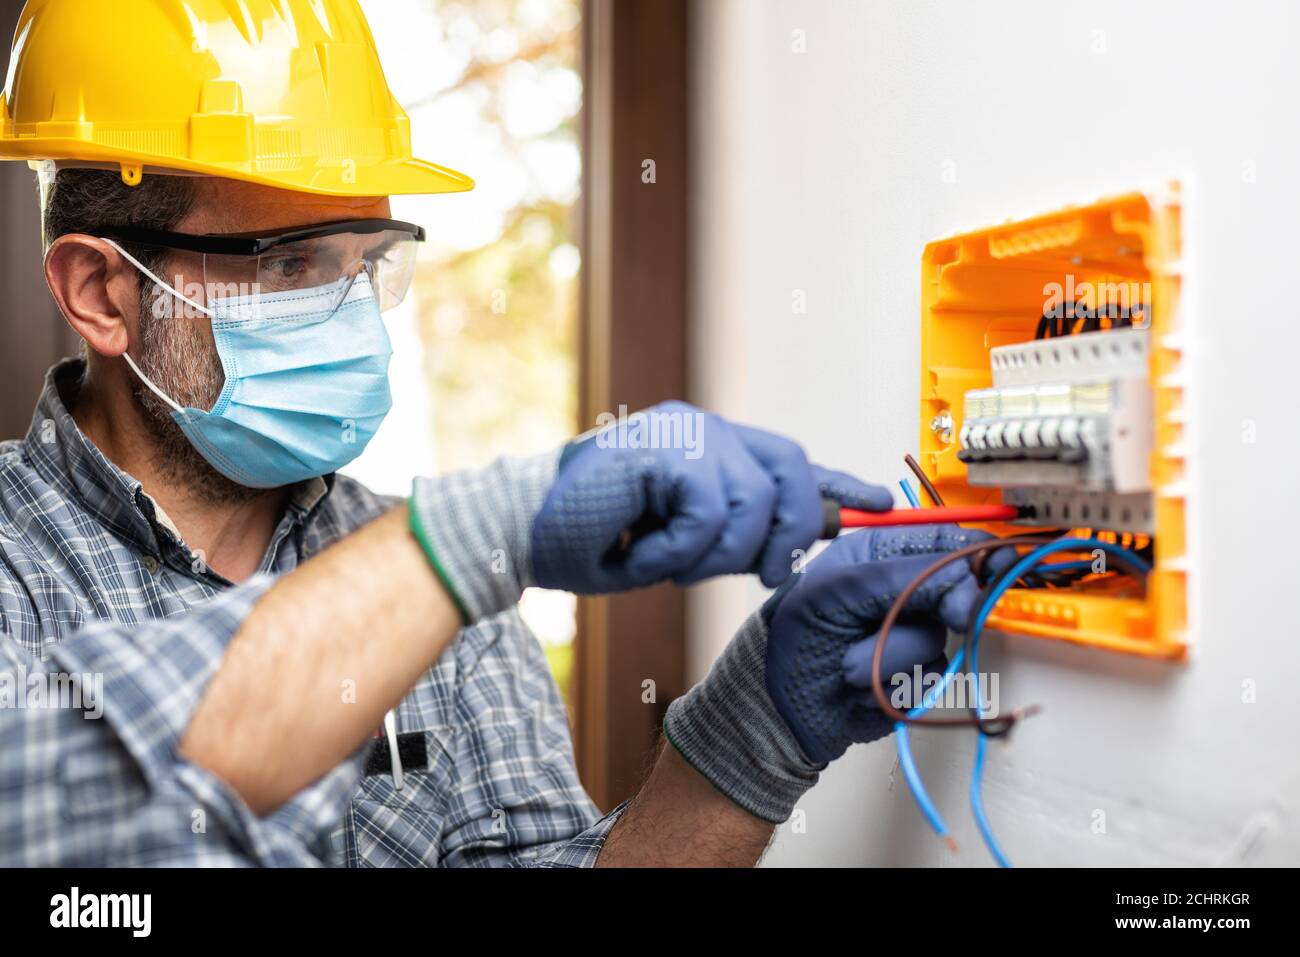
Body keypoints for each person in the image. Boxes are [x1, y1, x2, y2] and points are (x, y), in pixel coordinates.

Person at [0, 0, 994, 867]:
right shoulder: (436, 569)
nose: (353, 313)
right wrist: (475, 536)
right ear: (103, 292)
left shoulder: (451, 611)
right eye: (294, 264)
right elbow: (54, 807)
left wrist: (748, 739)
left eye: (368, 260)